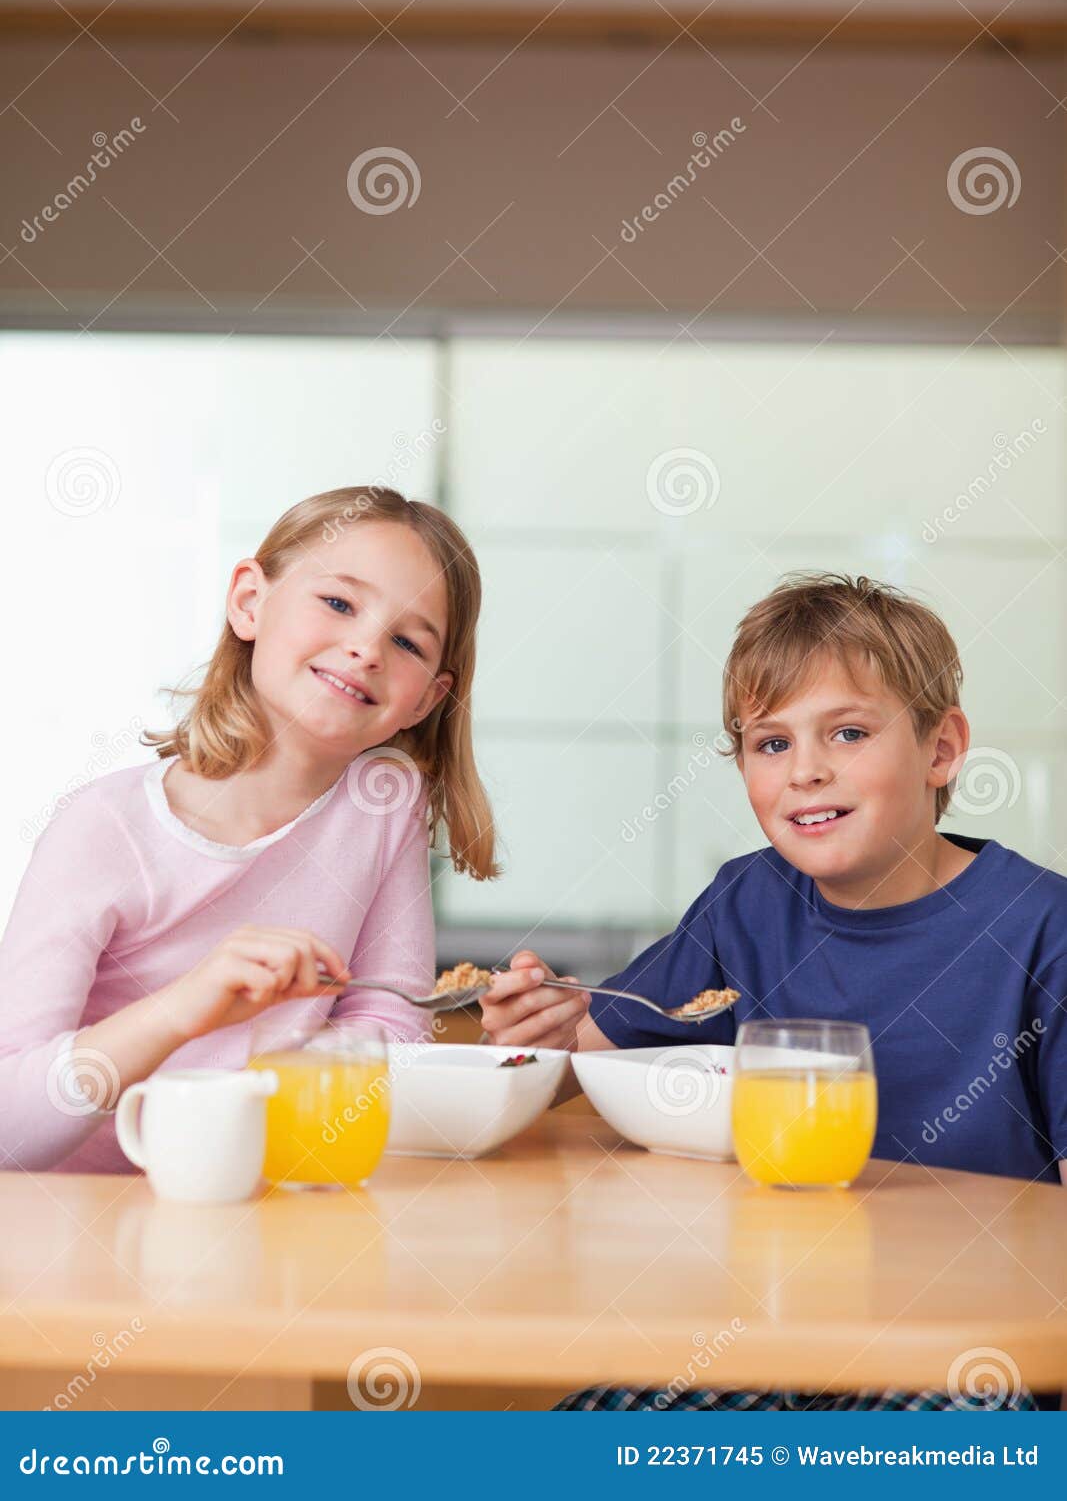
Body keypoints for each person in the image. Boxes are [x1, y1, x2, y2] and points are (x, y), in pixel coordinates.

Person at [482, 573, 1067, 1411]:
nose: (806, 772)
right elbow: (576, 1057)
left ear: (940, 748)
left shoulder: (1042, 929)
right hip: (763, 1323)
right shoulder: (745, 904)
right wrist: (534, 1030)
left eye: (849, 732)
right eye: (770, 744)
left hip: (966, 1351)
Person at [0, 485, 496, 1173]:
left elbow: (386, 1029)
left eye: (407, 641)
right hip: (94, 1219)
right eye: (339, 603)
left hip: (274, 1203)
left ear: (426, 699)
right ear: (249, 602)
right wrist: (185, 1009)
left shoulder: (382, 808)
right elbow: (8, 1132)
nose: (366, 649)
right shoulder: (103, 827)